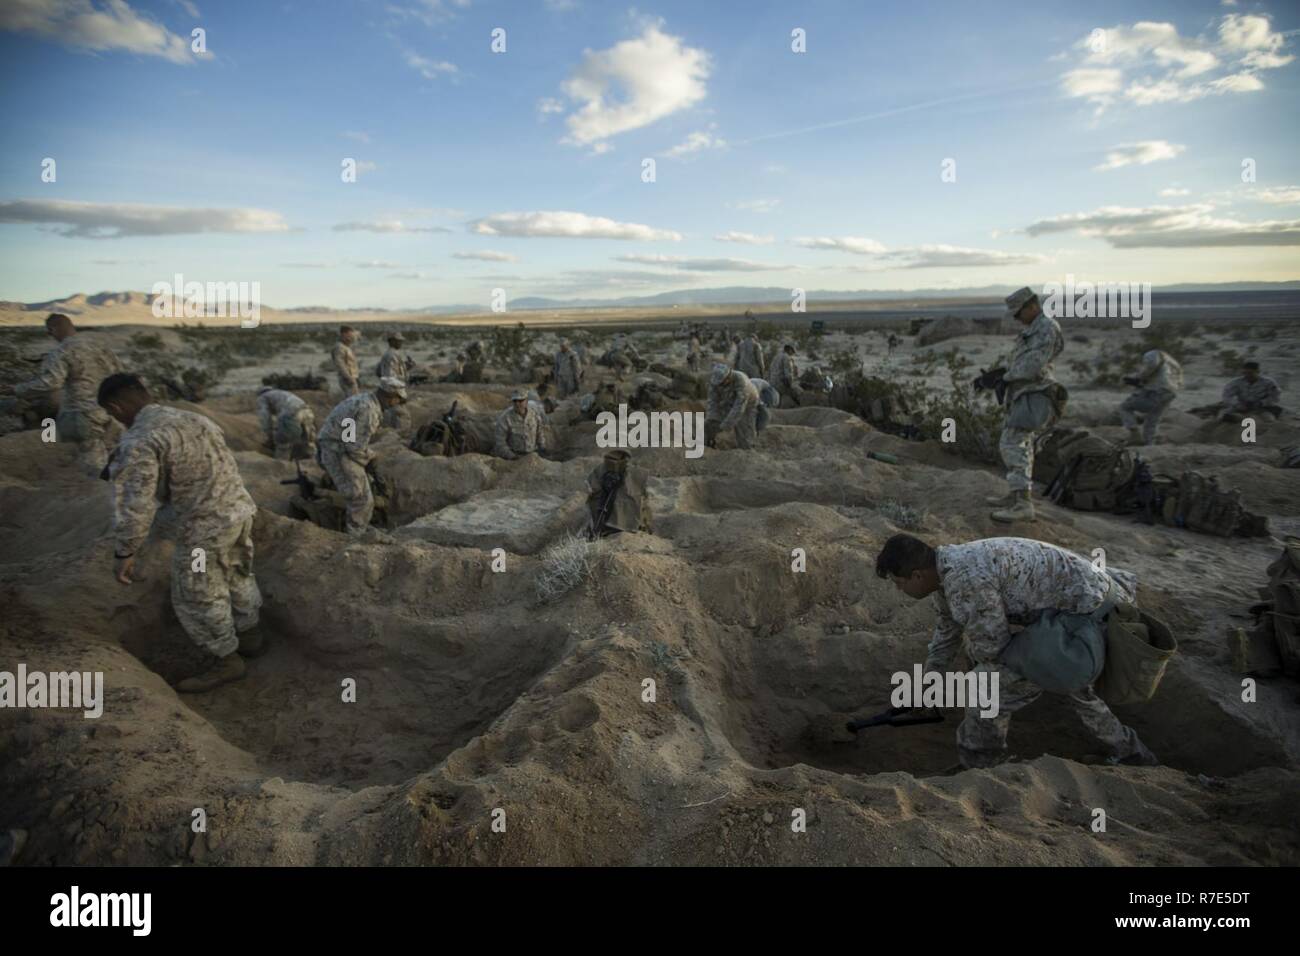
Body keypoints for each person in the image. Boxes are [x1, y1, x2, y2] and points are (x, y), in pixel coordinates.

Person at [875, 533, 1159, 770]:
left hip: (1092, 620)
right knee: (1067, 682)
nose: (900, 590)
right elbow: (947, 632)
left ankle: (982, 763)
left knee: (986, 687)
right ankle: (1132, 753)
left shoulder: (966, 580)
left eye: (899, 583)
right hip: (1085, 609)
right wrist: (929, 682)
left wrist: (974, 676)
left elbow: (992, 648)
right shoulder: (947, 567)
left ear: (917, 575)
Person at [97, 373, 263, 693]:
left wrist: (125, 551)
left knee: (198, 592)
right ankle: (251, 636)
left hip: (203, 531)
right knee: (238, 573)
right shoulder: (194, 418)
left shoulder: (140, 440)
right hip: (239, 513)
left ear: (115, 409)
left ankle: (225, 659)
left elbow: (137, 505)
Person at [0, 313, 122, 476]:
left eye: (49, 332)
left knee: (92, 462)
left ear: (53, 330)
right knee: (115, 456)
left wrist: (16, 389)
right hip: (112, 410)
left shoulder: (61, 351)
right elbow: (120, 375)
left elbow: (50, 383)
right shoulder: (101, 348)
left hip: (82, 413)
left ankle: (99, 488)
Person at [986, 287, 1065, 524]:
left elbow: (1033, 365)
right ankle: (1017, 496)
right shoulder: (1033, 330)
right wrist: (1000, 375)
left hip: (1036, 393)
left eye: (1018, 313)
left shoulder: (1046, 328)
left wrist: (1005, 377)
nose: (1017, 318)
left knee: (1012, 441)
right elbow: (1022, 363)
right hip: (1026, 393)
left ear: (1032, 306)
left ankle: (1023, 503)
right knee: (1023, 444)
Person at [316, 377, 407, 534]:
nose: (397, 404)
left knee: (362, 485)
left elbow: (351, 440)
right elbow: (353, 447)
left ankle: (359, 524)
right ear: (389, 396)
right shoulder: (368, 410)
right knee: (361, 498)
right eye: (397, 399)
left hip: (337, 446)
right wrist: (370, 458)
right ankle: (355, 534)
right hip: (337, 450)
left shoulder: (365, 400)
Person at [1119, 349, 1182, 445]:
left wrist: (1138, 378)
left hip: (1158, 392)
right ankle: (1149, 444)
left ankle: (1134, 433)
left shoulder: (1153, 353)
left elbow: (1151, 366)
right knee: (1152, 420)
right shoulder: (1171, 361)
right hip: (1170, 393)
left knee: (1124, 407)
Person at [586, 449, 652, 537]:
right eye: (610, 458)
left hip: (629, 525)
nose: (613, 462)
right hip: (603, 521)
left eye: (616, 459)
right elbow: (591, 494)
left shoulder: (636, 474)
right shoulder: (599, 471)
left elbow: (644, 503)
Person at [705, 363, 761, 449]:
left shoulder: (741, 380)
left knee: (743, 427)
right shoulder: (715, 381)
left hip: (748, 404)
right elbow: (712, 402)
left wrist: (725, 427)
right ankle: (708, 444)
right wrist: (712, 418)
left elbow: (739, 407)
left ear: (728, 377)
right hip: (728, 400)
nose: (720, 385)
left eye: (722, 382)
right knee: (711, 422)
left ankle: (747, 448)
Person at [256, 387, 317, 460]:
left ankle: (281, 463)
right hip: (307, 410)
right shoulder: (282, 393)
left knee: (283, 444)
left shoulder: (263, 397)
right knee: (308, 441)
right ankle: (314, 461)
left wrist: (269, 434)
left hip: (290, 413)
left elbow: (264, 417)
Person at [493, 389, 545, 459]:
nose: (517, 404)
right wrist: (512, 456)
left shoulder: (534, 415)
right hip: (514, 456)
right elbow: (500, 442)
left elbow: (540, 433)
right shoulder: (505, 418)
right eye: (515, 401)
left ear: (526, 401)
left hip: (532, 455)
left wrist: (542, 447)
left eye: (520, 401)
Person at [332, 326, 360, 396]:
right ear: (343, 335)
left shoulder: (346, 347)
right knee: (352, 398)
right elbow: (340, 364)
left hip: (351, 377)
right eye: (349, 336)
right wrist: (348, 377)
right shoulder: (339, 347)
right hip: (347, 379)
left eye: (351, 336)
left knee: (354, 397)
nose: (350, 338)